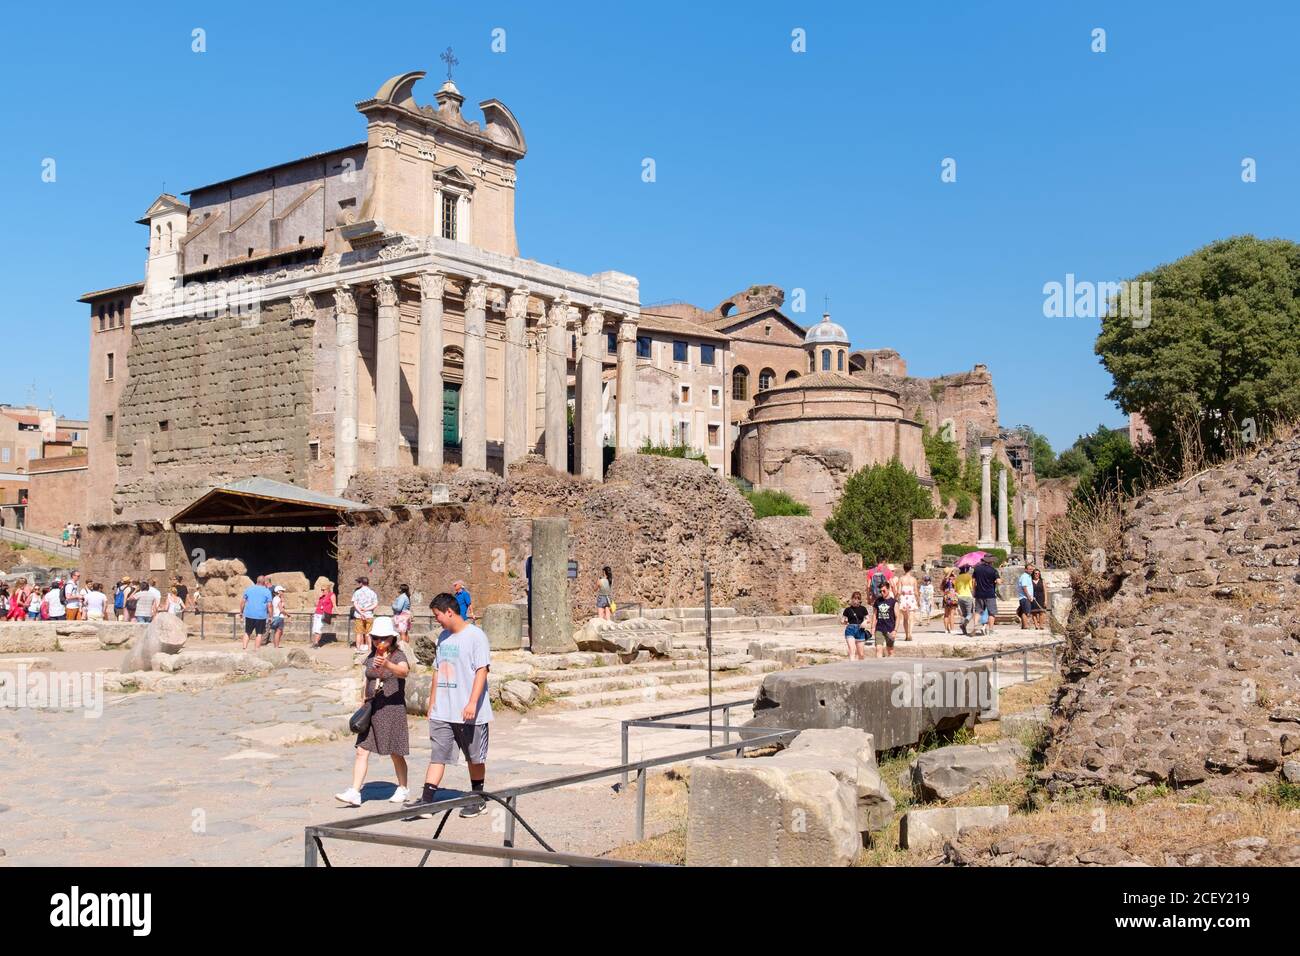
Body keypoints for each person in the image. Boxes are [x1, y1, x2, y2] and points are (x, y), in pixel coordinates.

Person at [408, 592, 493, 820]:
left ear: (449, 611)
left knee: (475, 757)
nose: (436, 619)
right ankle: (426, 802)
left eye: (437, 615)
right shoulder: (443, 637)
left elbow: (481, 671)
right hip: (443, 709)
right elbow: (438, 670)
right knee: (438, 754)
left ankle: (478, 798)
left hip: (470, 710)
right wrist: (432, 701)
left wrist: (473, 702)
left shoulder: (476, 636)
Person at [335, 617, 411, 807]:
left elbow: (404, 672)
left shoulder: (398, 656)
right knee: (362, 750)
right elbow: (367, 680)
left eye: (384, 638)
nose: (379, 642)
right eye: (376, 638)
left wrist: (387, 665)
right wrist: (363, 702)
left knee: (395, 751)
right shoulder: (370, 656)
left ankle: (403, 787)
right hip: (372, 708)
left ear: (392, 639)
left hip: (391, 709)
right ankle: (355, 791)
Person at [240, 576, 273, 650]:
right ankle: (256, 650)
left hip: (249, 615)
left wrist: (241, 612)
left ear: (257, 581)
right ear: (264, 582)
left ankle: (244, 648)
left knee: (247, 632)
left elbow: (243, 602)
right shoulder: (267, 591)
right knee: (259, 634)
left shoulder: (249, 589)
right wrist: (271, 616)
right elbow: (270, 605)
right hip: (261, 616)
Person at [972, 556, 1001, 637]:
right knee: (992, 612)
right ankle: (991, 630)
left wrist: (974, 591)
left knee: (978, 611)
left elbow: (973, 581)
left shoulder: (977, 569)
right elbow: (998, 582)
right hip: (990, 594)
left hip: (979, 593)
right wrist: (1000, 580)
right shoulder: (993, 570)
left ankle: (975, 626)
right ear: (991, 562)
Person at [351, 576, 378, 653]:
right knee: (369, 633)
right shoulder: (373, 593)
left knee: (359, 633)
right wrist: (366, 610)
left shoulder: (357, 592)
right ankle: (370, 648)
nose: (358, 584)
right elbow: (375, 604)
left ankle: (358, 648)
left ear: (362, 583)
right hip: (369, 615)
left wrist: (361, 612)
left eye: (359, 582)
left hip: (359, 615)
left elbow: (355, 604)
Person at [870, 581, 897, 658]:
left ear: (889, 589)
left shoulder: (894, 602)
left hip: (890, 629)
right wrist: (872, 627)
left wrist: (895, 630)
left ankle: (891, 667)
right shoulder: (878, 601)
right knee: (878, 649)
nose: (882, 593)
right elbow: (874, 615)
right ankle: (879, 666)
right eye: (880, 591)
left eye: (884, 591)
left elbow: (898, 618)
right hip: (879, 628)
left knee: (890, 650)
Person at [840, 591, 870, 659]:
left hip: (860, 629)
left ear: (860, 600)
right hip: (850, 629)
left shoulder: (863, 609)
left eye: (857, 599)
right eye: (854, 598)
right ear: (852, 599)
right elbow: (842, 621)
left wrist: (865, 622)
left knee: (861, 654)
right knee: (852, 651)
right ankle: (852, 667)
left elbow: (868, 619)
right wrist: (845, 621)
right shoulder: (847, 609)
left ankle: (861, 667)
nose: (856, 600)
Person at [895, 563, 918, 642]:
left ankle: (906, 634)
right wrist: (918, 599)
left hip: (904, 598)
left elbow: (898, 591)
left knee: (905, 618)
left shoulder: (901, 579)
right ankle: (910, 634)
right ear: (911, 569)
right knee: (911, 618)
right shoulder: (913, 579)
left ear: (904, 569)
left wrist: (896, 598)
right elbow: (916, 591)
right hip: (911, 598)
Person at [954, 564, 975, 636]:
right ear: (966, 570)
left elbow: (956, 589)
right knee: (970, 614)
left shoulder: (957, 578)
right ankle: (964, 624)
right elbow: (971, 588)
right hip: (968, 596)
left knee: (964, 614)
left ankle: (964, 630)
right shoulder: (969, 577)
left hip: (960, 597)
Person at [312, 582, 335, 647]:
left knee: (318, 628)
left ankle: (316, 643)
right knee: (315, 629)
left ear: (328, 589)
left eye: (323, 590)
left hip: (323, 614)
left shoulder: (332, 595)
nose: (322, 591)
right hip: (317, 613)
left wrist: (338, 611)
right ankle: (315, 643)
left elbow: (334, 604)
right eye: (321, 590)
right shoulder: (321, 597)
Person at [1016, 564, 1035, 630]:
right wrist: (1028, 596)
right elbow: (1024, 587)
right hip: (1025, 597)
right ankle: (1026, 625)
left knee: (1024, 611)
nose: (1031, 570)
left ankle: (1024, 625)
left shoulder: (1028, 576)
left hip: (1026, 597)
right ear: (1025, 569)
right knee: (1026, 612)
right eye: (1029, 569)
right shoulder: (1024, 576)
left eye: (1032, 569)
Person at [941, 569, 958, 634]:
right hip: (952, 597)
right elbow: (956, 587)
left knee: (946, 614)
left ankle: (946, 629)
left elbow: (941, 588)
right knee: (951, 614)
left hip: (945, 596)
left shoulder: (944, 580)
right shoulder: (952, 579)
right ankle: (952, 629)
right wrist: (955, 577)